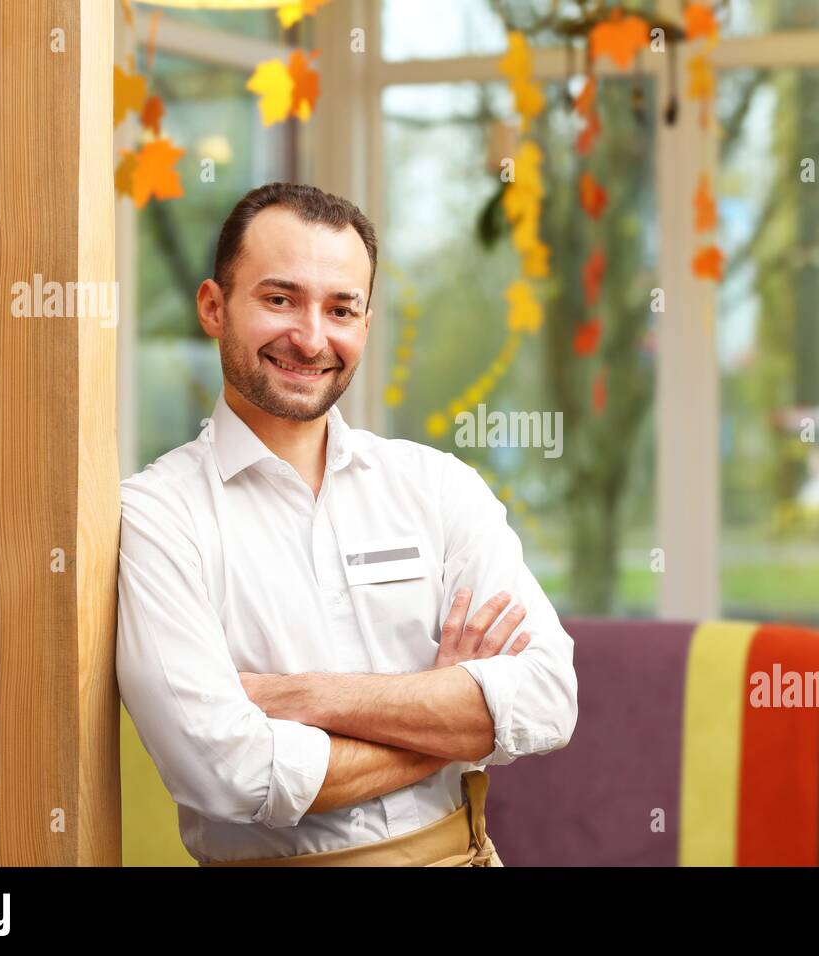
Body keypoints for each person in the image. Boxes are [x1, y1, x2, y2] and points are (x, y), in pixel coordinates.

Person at [116, 183, 578, 866]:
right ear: (214, 307)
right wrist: (443, 711)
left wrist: (299, 697)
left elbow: (546, 699)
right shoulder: (157, 516)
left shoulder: (438, 486)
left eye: (340, 309)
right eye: (279, 300)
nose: (310, 338)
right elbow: (231, 774)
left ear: (365, 323)